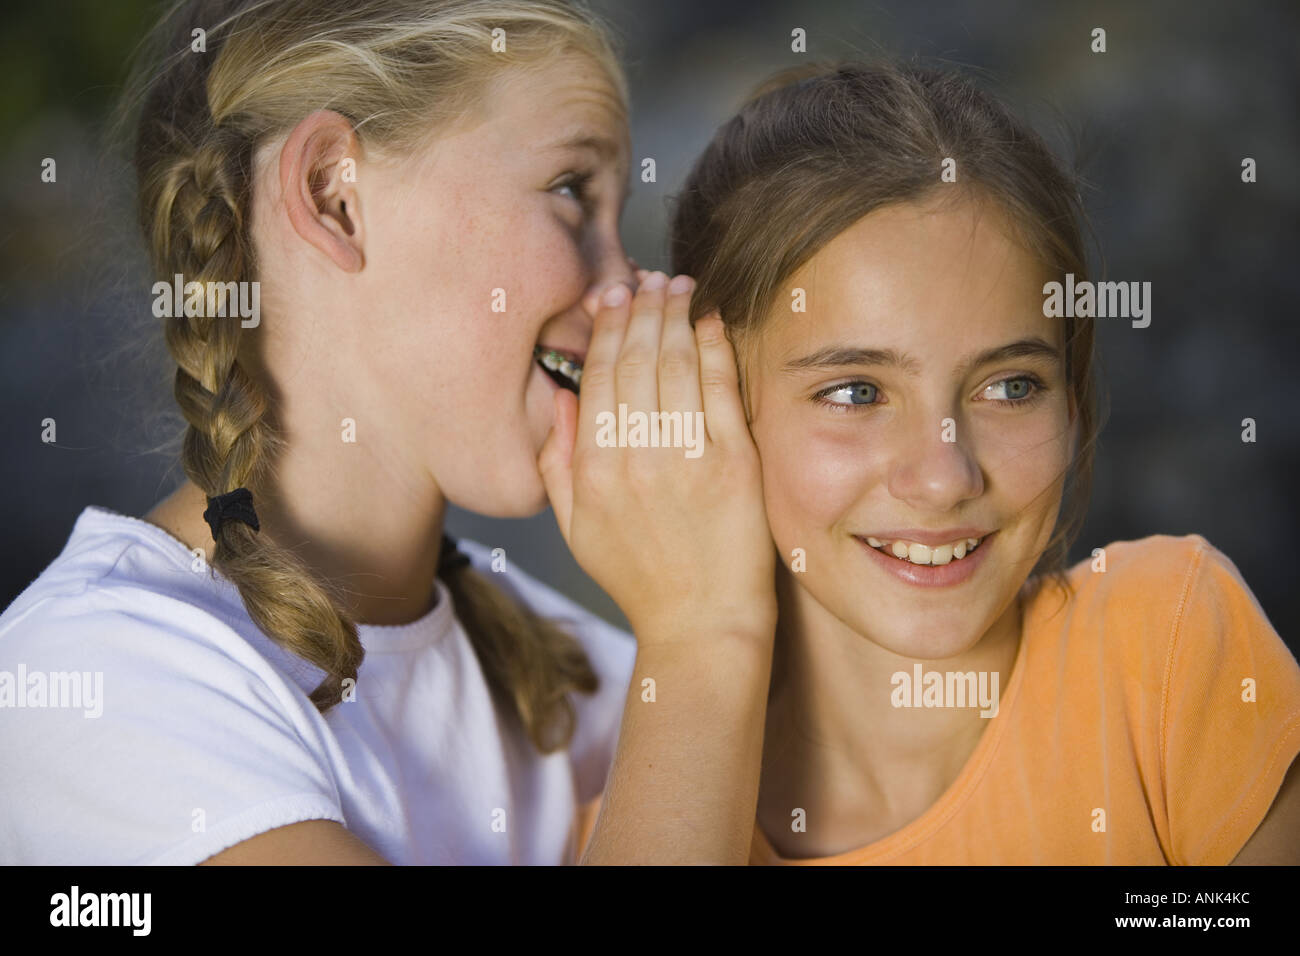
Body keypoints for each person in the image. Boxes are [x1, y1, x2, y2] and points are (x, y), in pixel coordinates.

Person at [0, 0, 773, 865]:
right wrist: (710, 635)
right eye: (570, 191)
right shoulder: (94, 675)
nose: (625, 287)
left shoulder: (598, 673)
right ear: (336, 197)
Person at [633, 60, 1300, 864]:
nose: (947, 477)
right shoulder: (654, 819)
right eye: (854, 393)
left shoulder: (1168, 652)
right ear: (708, 410)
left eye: (1011, 386)